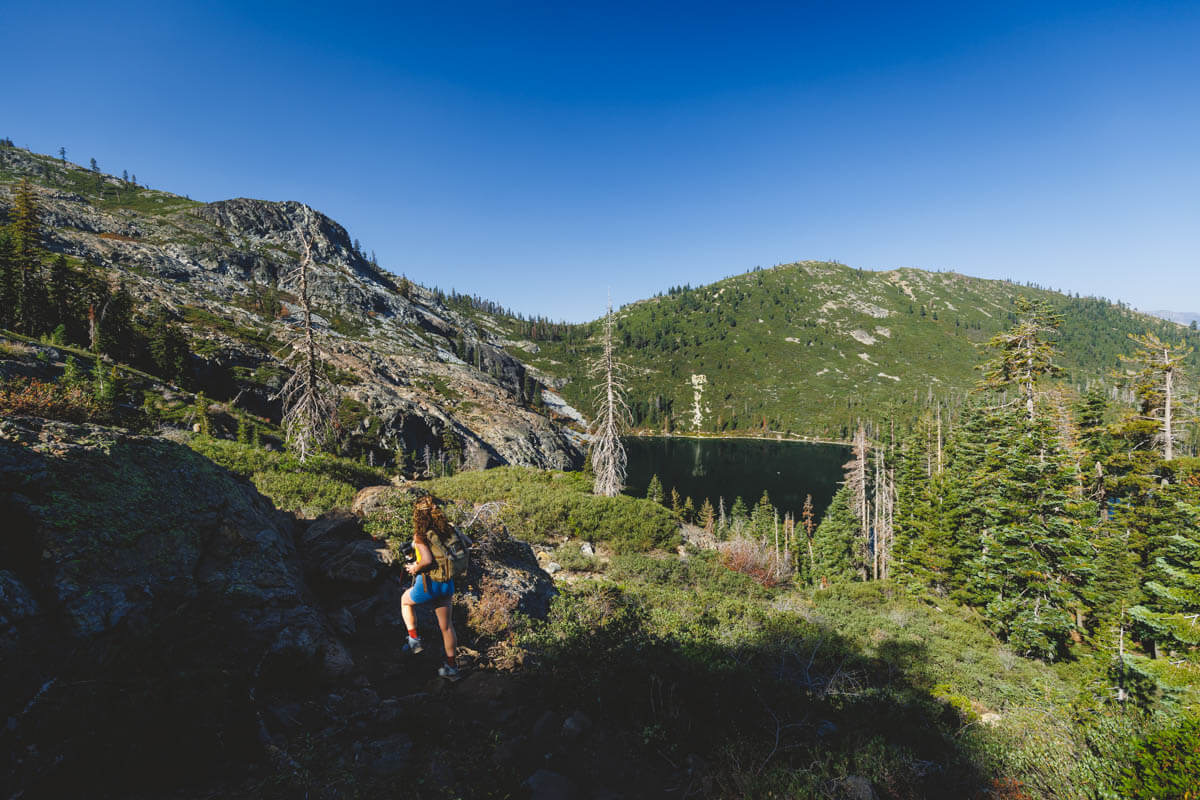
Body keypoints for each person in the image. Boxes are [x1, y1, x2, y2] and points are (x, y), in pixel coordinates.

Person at [401, 496, 462, 680]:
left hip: (429, 584)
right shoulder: (449, 529)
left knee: (405, 601)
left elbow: (427, 560)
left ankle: (414, 641)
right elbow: (467, 544)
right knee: (446, 626)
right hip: (447, 584)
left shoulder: (420, 536)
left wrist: (414, 567)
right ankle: (452, 668)